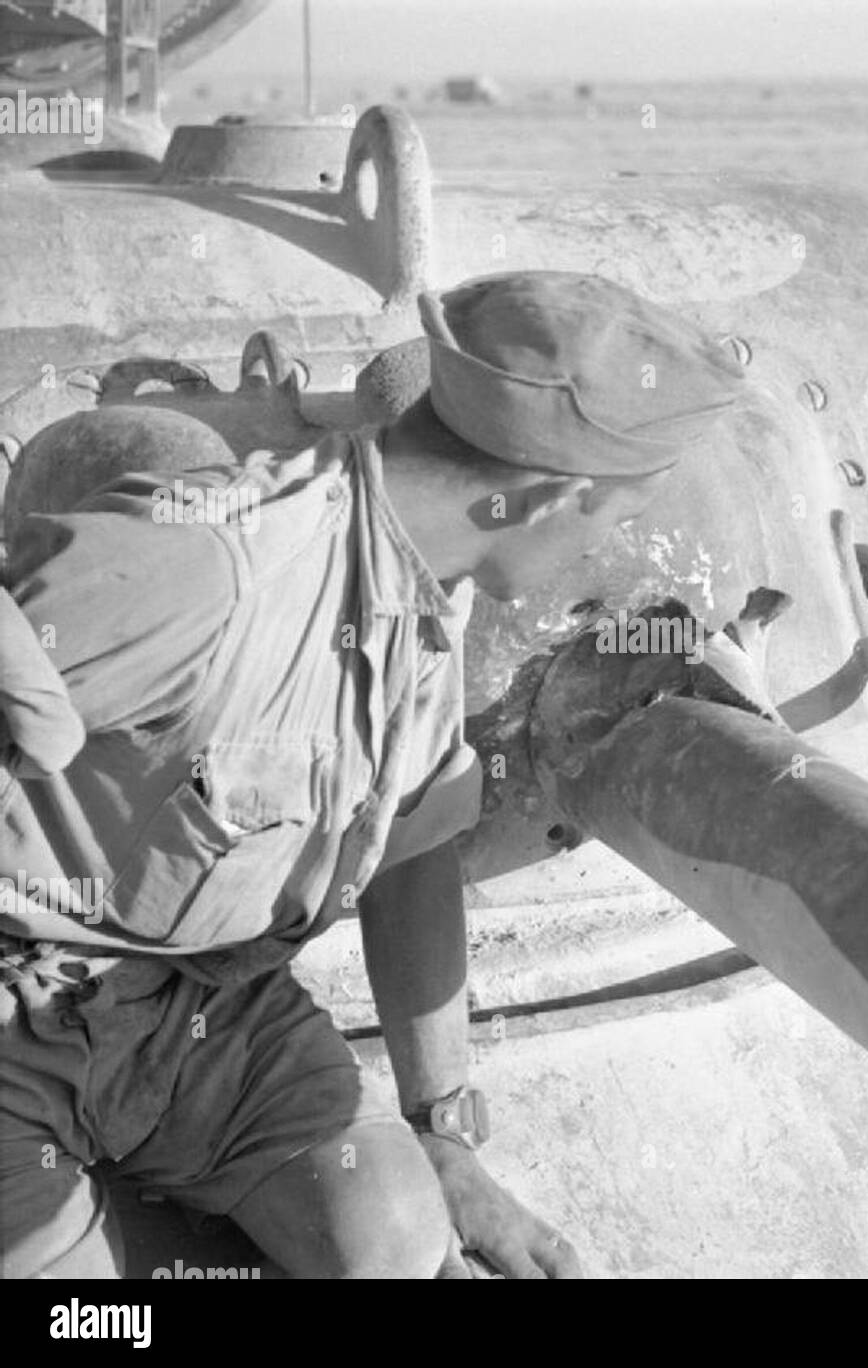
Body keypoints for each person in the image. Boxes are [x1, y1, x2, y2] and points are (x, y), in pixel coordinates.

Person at [0, 270, 746, 1279]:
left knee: (392, 1243)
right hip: (20, 1014)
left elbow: (411, 852)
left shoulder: (421, 595)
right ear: (548, 498)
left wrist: (444, 1129)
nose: (604, 546)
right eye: (612, 518)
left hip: (208, 1017)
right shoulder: (209, 565)